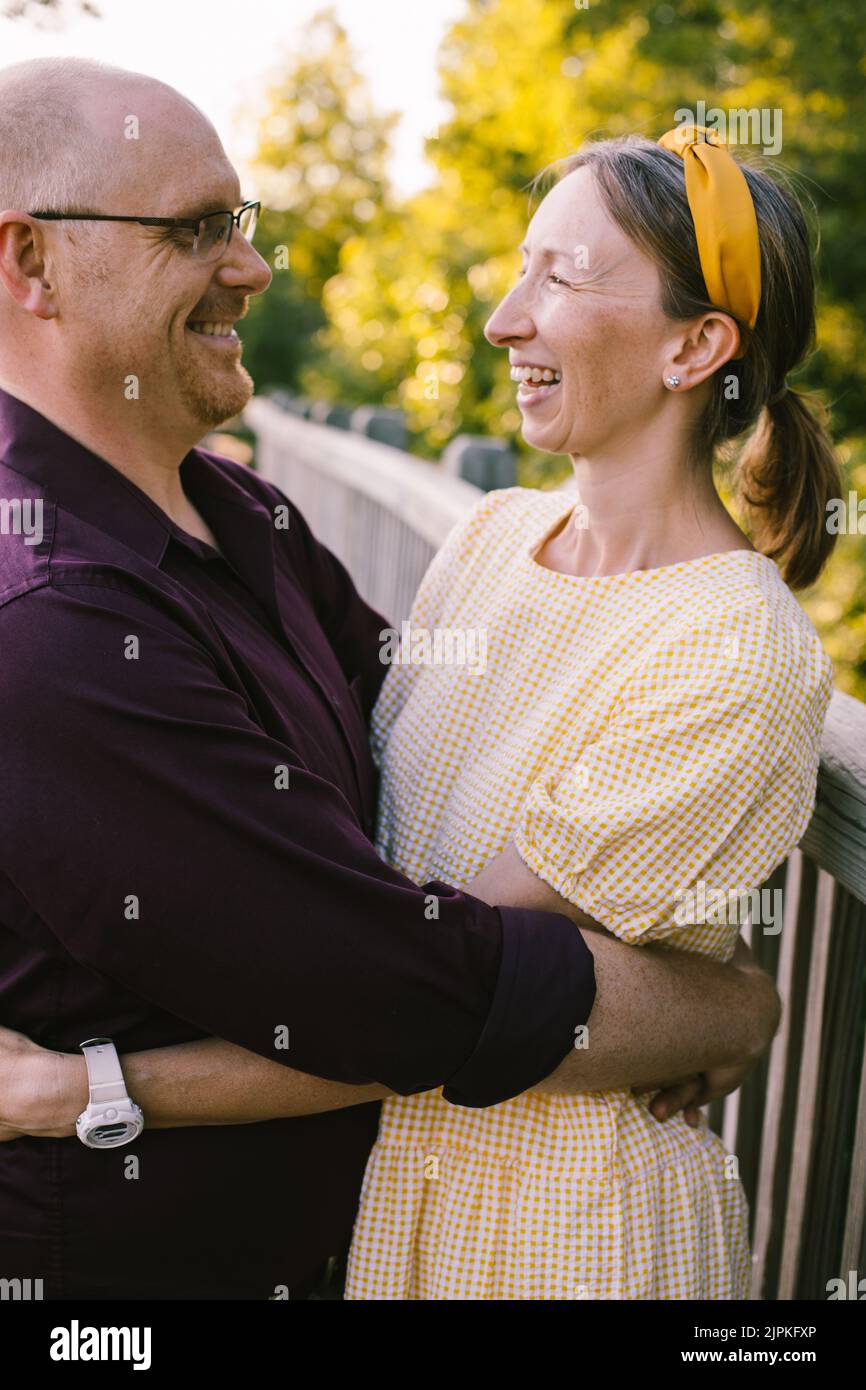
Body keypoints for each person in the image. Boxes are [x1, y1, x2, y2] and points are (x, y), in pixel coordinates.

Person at [0, 57, 784, 1302]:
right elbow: (402, 986)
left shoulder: (238, 512)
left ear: (698, 347)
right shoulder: (57, 621)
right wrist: (719, 1010)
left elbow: (408, 766)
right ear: (31, 263)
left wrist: (89, 1086)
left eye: (239, 225)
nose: (251, 268)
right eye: (197, 230)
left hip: (501, 1230)